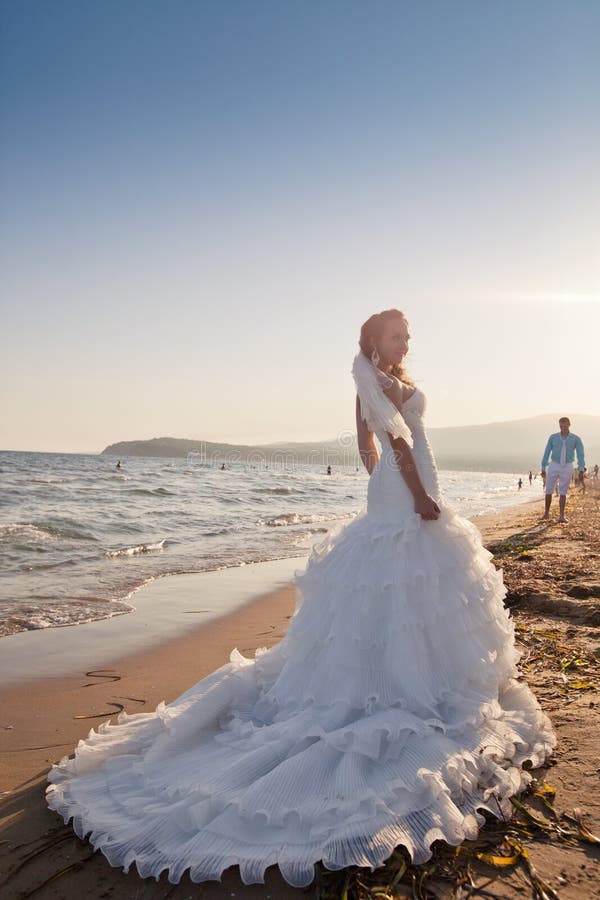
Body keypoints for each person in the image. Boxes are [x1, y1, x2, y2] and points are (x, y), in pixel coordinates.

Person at [46, 309, 555, 888]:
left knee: (406, 586)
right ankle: (404, 682)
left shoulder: (378, 378)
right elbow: (389, 439)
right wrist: (411, 493)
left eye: (407, 335)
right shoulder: (377, 379)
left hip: (400, 485)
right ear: (373, 341)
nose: (405, 341)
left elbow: (369, 441)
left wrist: (381, 478)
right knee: (403, 581)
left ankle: (415, 672)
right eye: (396, 335)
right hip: (409, 488)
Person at [540, 417, 585, 523]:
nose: (563, 428)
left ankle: (561, 516)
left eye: (565, 425)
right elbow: (546, 452)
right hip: (554, 464)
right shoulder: (553, 437)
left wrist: (581, 469)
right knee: (549, 489)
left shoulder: (576, 439)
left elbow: (580, 455)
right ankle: (546, 513)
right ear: (559, 426)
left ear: (569, 425)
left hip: (568, 465)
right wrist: (543, 467)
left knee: (563, 491)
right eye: (561, 426)